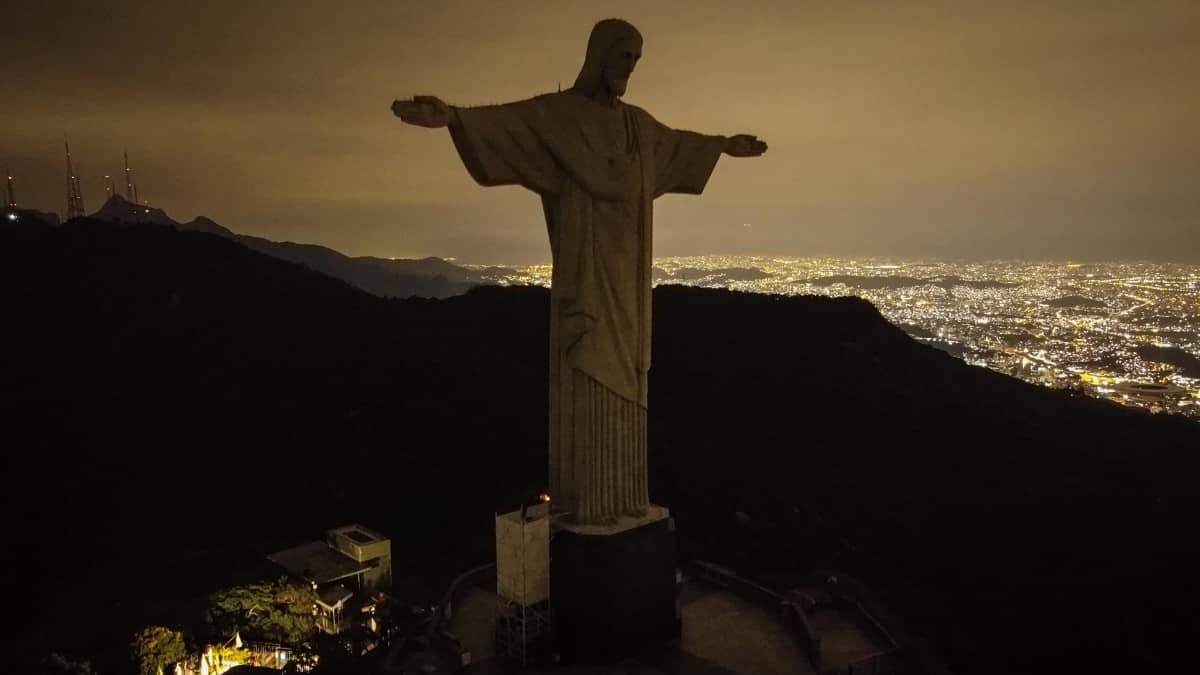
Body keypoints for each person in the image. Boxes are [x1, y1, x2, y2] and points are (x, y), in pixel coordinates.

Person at [393, 18, 766, 526]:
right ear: (598, 56)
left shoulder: (639, 126)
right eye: (623, 57)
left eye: (636, 59)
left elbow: (677, 145)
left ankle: (627, 499)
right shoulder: (558, 117)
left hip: (629, 275)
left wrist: (722, 146)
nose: (630, 67)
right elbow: (509, 124)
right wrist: (453, 117)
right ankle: (589, 504)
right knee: (587, 367)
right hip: (586, 272)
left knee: (629, 377)